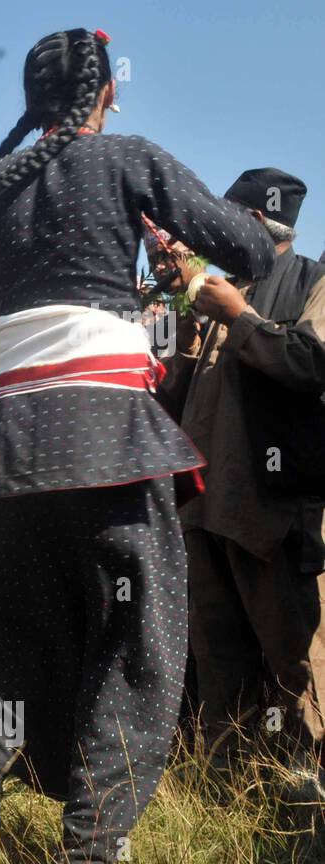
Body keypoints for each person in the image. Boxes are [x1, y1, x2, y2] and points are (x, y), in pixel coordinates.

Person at [0, 28, 274, 864]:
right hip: (105, 431)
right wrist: (169, 255)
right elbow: (255, 249)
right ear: (105, 91)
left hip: (5, 444)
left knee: (1, 632)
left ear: (34, 101)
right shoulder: (127, 158)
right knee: (138, 636)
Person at [159, 168, 325, 794]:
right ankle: (222, 791)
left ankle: (302, 799)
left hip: (272, 512)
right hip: (206, 512)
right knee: (218, 654)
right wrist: (180, 353)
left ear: (254, 222)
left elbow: (312, 362)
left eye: (225, 220)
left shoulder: (312, 281)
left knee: (293, 662)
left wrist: (242, 317)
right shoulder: (220, 293)